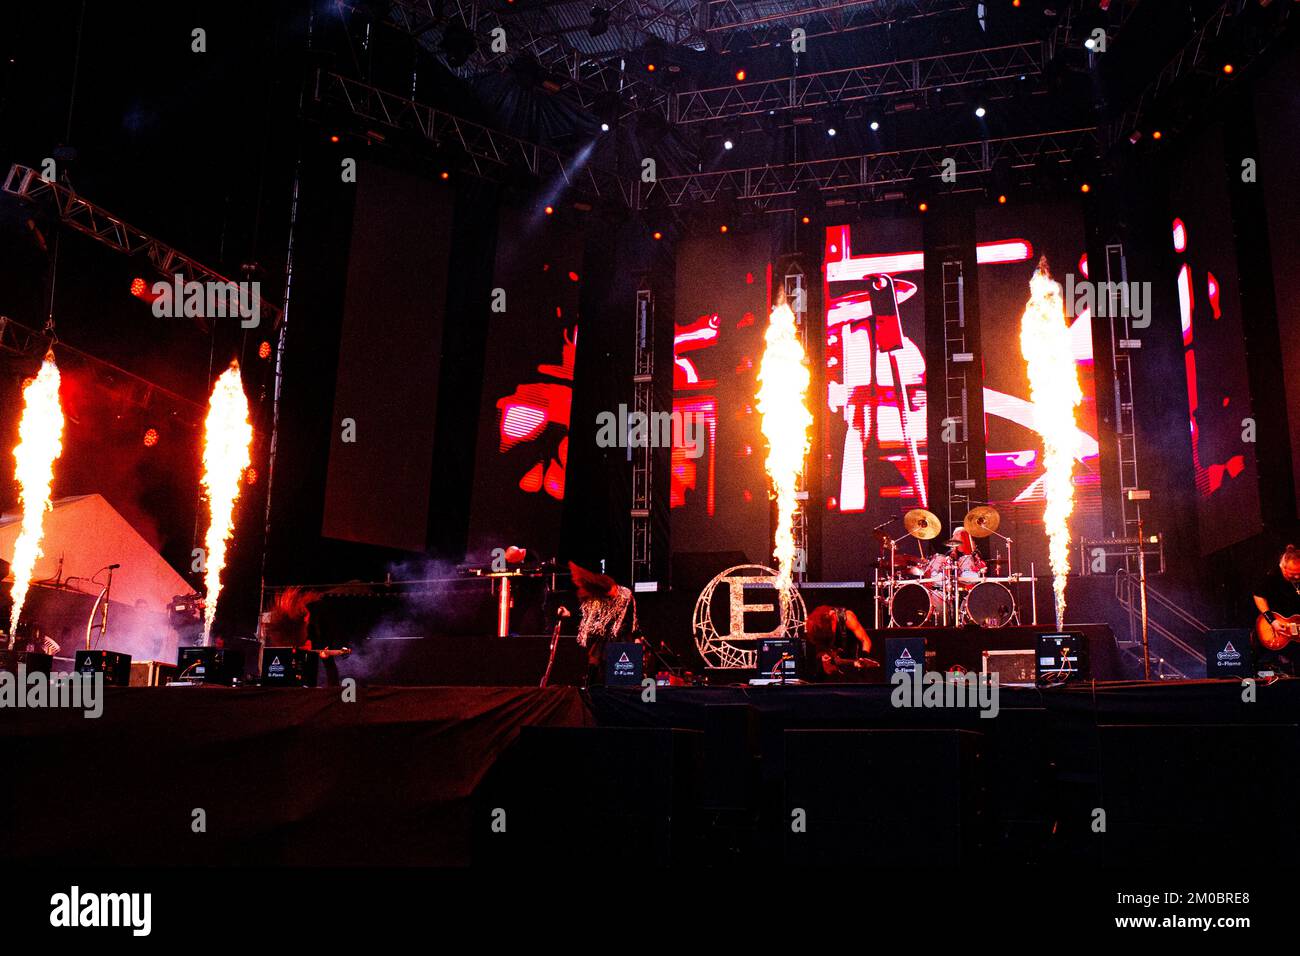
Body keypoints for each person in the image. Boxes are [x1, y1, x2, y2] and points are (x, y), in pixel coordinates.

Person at [568, 561, 637, 686]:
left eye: (613, 590)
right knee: (595, 663)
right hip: (602, 638)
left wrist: (637, 636)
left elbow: (632, 618)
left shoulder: (626, 595)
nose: (614, 594)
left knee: (619, 670)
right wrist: (569, 613)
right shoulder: (598, 599)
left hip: (621, 638)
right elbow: (586, 613)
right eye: (609, 594)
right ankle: (590, 688)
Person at [1252, 545, 1300, 674]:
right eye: (1293, 574)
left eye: (1299, 574)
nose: (1296, 577)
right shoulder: (1272, 575)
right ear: (1283, 567)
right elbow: (1258, 596)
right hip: (1278, 628)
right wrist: (1272, 621)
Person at [803, 605, 877, 681]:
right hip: (835, 667)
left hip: (853, 663)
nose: (830, 634)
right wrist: (824, 656)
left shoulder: (848, 617)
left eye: (830, 630)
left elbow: (865, 640)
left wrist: (864, 657)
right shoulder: (818, 628)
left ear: (832, 617)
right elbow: (820, 649)